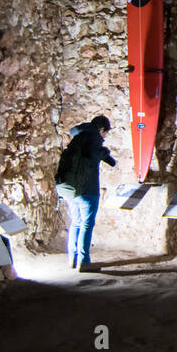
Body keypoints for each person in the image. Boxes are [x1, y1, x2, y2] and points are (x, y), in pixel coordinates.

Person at [55, 115, 116, 271]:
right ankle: (84, 261)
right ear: (102, 129)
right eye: (105, 133)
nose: (104, 136)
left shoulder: (79, 136)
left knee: (76, 223)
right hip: (86, 189)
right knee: (87, 224)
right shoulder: (94, 138)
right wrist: (104, 153)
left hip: (70, 189)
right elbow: (92, 156)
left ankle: (72, 259)